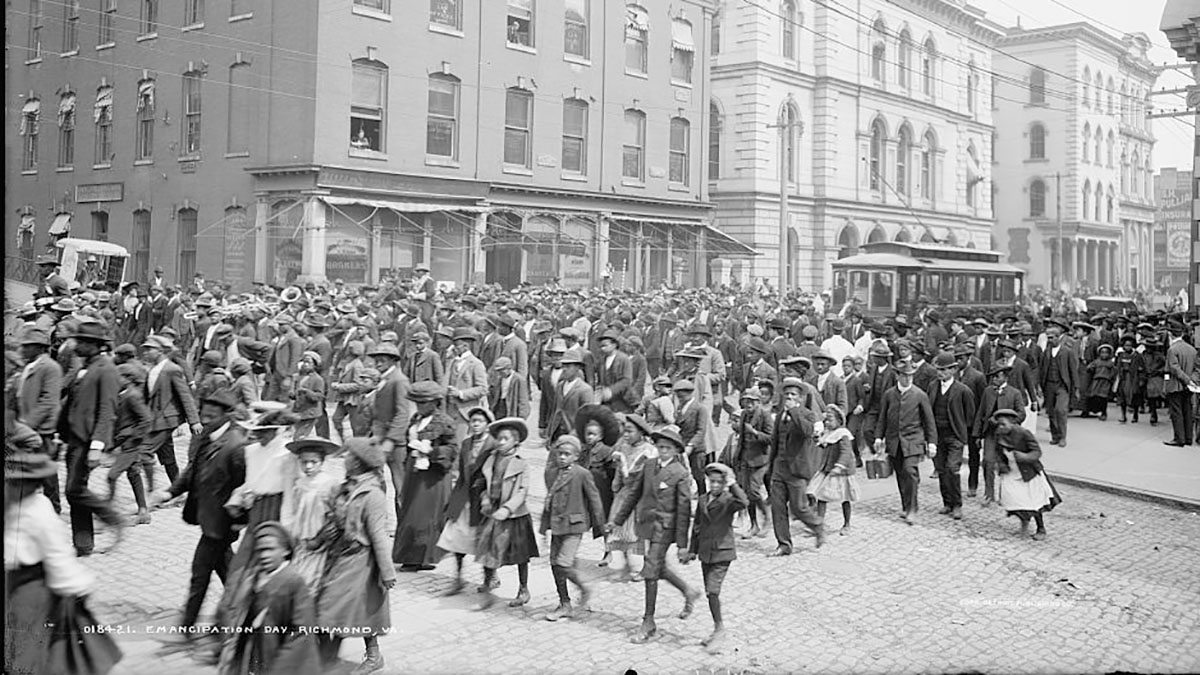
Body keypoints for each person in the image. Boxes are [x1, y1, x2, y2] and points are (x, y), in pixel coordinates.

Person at [4, 452, 121, 675]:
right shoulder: (37, 509)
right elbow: (58, 559)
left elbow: (57, 558)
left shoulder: (35, 510)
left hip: (25, 590)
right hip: (28, 593)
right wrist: (79, 586)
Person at [150, 389, 246, 644]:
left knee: (200, 573)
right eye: (204, 415)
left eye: (212, 416)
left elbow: (243, 486)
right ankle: (242, 616)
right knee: (230, 574)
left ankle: (186, 629)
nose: (205, 419)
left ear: (227, 415)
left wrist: (237, 522)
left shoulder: (236, 445)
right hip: (207, 518)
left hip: (221, 524)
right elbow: (193, 470)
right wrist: (168, 492)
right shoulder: (208, 435)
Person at [606, 426, 700, 644]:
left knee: (650, 570)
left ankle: (648, 622)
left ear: (677, 450)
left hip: (665, 529)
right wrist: (617, 521)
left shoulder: (680, 474)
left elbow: (684, 511)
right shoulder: (649, 466)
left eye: (668, 448)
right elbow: (633, 495)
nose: (663, 451)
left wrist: (683, 545)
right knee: (657, 567)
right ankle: (688, 590)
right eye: (660, 447)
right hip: (646, 525)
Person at [313, 438, 395, 675]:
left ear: (359, 463)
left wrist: (387, 572)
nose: (344, 459)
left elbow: (378, 535)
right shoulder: (346, 487)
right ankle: (368, 655)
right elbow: (332, 519)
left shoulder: (372, 495)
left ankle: (340, 656)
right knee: (354, 607)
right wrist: (319, 538)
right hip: (339, 554)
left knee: (341, 604)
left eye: (348, 456)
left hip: (361, 560)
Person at [216, 521, 320, 675]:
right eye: (260, 550)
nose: (264, 555)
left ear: (285, 550)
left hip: (277, 657)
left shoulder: (293, 582)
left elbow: (302, 632)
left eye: (270, 549)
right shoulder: (252, 578)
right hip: (252, 650)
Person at [59, 319, 125, 556]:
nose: (76, 344)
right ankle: (83, 543)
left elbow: (107, 410)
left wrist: (97, 446)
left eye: (82, 341)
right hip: (73, 437)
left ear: (95, 345)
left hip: (87, 440)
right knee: (75, 490)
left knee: (74, 490)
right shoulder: (84, 366)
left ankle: (113, 517)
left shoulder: (106, 370)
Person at [475, 417, 540, 610]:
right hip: (492, 512)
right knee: (488, 549)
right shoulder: (491, 459)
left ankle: (523, 589)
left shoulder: (521, 464)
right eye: (499, 438)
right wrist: (485, 498)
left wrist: (508, 508)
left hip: (514, 516)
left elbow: (522, 490)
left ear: (516, 441)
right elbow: (481, 482)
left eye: (506, 439)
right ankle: (489, 582)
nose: (501, 442)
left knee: (520, 554)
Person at [392, 381, 458, 570]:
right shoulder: (416, 419)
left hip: (433, 475)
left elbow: (453, 449)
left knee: (423, 515)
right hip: (415, 472)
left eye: (423, 403)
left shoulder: (444, 422)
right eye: (417, 403)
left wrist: (432, 452)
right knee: (409, 510)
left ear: (435, 402)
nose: (419, 407)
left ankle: (421, 557)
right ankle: (414, 556)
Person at [540, 434, 606, 621]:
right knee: (555, 565)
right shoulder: (553, 473)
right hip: (557, 525)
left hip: (574, 526)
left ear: (576, 456)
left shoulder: (582, 474)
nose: (562, 457)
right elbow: (549, 500)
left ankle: (583, 587)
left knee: (564, 563)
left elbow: (594, 500)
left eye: (567, 454)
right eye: (559, 453)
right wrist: (544, 526)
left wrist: (602, 527)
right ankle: (564, 603)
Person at [682, 461, 747, 652]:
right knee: (711, 594)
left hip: (723, 552)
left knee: (713, 591)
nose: (715, 485)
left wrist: (733, 483)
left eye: (720, 482)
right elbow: (697, 528)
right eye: (712, 481)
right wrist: (692, 550)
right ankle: (716, 628)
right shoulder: (702, 499)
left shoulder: (728, 500)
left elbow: (744, 502)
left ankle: (720, 630)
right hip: (706, 553)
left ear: (724, 483)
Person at [437, 407, 496, 595]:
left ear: (487, 424)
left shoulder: (493, 445)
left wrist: (490, 495)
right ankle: (459, 577)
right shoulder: (466, 444)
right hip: (464, 497)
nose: (476, 424)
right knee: (457, 538)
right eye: (473, 421)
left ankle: (489, 578)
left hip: (483, 498)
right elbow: (460, 471)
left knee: (484, 539)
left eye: (480, 421)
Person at [767, 378, 826, 555]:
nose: (789, 398)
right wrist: (771, 467)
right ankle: (784, 544)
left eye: (793, 395)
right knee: (778, 508)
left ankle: (817, 526)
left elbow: (807, 431)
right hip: (779, 467)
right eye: (787, 395)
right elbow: (775, 442)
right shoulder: (779, 416)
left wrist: (794, 411)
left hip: (797, 469)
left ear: (800, 398)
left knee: (798, 507)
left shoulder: (807, 414)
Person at [874, 360, 937, 525]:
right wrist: (879, 438)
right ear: (897, 375)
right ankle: (905, 505)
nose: (908, 379)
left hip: (913, 440)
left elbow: (929, 421)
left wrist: (932, 443)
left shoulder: (920, 395)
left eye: (910, 376)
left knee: (910, 471)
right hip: (895, 440)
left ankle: (912, 509)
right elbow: (882, 418)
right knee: (900, 473)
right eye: (904, 375)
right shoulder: (889, 395)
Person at [142, 334, 202, 493]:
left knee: (144, 452)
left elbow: (185, 396)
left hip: (167, 419)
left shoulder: (172, 369)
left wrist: (194, 421)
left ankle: (149, 491)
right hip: (155, 419)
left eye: (149, 349)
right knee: (168, 458)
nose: (145, 353)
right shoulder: (152, 369)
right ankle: (178, 489)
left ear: (160, 351)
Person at [280, 437, 340, 593]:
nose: (308, 466)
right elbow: (295, 511)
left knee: (315, 581)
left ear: (322, 462)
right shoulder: (299, 484)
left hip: (321, 540)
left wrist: (322, 537)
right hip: (302, 542)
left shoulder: (330, 484)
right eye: (304, 462)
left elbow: (335, 513)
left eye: (314, 462)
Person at [993, 409, 1062, 541]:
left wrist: (1025, 457)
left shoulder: (1024, 433)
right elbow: (998, 452)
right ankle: (1024, 522)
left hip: (1028, 472)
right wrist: (1001, 465)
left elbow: (1037, 452)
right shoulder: (999, 434)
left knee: (1034, 501)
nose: (1001, 427)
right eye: (999, 424)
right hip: (1011, 471)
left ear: (1013, 423)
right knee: (1014, 499)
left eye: (1003, 424)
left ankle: (1040, 527)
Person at [15, 326, 63, 512]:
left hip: (42, 430)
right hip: (27, 427)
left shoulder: (50, 367)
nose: (23, 350)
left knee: (46, 473)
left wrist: (27, 424)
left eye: (28, 346)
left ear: (39, 347)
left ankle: (54, 509)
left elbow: (48, 400)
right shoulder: (29, 366)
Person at [926, 351, 976, 521]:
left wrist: (963, 434)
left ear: (954, 370)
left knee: (952, 469)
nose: (941, 373)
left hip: (954, 435)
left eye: (945, 370)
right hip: (937, 436)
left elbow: (970, 416)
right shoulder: (932, 386)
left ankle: (957, 505)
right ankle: (947, 503)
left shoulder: (963, 391)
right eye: (939, 369)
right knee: (941, 469)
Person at [609, 413, 658, 582]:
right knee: (620, 531)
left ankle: (638, 568)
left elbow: (647, 477)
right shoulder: (623, 447)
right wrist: (616, 485)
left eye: (630, 431)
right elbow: (618, 473)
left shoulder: (648, 451)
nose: (626, 434)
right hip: (623, 496)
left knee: (635, 534)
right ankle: (624, 565)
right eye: (625, 431)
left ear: (640, 432)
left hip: (640, 497)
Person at [972, 365, 1027, 506]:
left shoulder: (1014, 393)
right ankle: (989, 494)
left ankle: (1004, 495)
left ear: (1005, 378)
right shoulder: (988, 392)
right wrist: (977, 435)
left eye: (997, 376)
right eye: (993, 377)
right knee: (987, 462)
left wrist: (1007, 423)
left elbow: (1021, 414)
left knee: (1005, 466)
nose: (994, 379)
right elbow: (980, 413)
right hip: (990, 433)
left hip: (1007, 437)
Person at [806, 405, 861, 535]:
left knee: (845, 497)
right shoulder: (829, 434)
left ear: (839, 421)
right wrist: (817, 440)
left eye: (830, 419)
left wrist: (839, 466)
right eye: (826, 420)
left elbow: (846, 452)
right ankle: (819, 523)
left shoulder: (843, 435)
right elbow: (825, 445)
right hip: (827, 469)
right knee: (821, 496)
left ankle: (847, 524)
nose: (827, 422)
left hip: (841, 471)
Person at [111, 362, 152, 525]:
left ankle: (108, 514)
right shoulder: (125, 393)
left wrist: (134, 436)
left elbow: (146, 418)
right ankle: (143, 511)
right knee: (134, 473)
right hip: (126, 441)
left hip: (130, 443)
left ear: (128, 379)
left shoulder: (132, 396)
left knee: (111, 476)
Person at [730, 388, 772, 539]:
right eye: (745, 401)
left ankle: (767, 518)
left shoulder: (765, 415)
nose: (748, 404)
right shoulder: (743, 415)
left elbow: (770, 438)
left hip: (761, 460)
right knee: (747, 493)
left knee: (754, 490)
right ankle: (754, 524)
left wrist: (754, 432)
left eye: (751, 401)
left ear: (758, 402)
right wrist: (737, 457)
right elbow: (741, 437)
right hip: (746, 458)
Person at [1039, 319, 1078, 448]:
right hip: (1049, 385)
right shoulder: (1046, 352)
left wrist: (1076, 388)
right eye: (1048, 338)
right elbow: (1042, 369)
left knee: (1060, 410)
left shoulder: (1067, 352)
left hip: (1062, 385)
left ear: (1058, 337)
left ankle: (1062, 437)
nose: (1050, 340)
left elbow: (1073, 371)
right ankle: (1055, 436)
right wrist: (1040, 386)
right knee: (1051, 412)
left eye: (1052, 338)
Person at [1163, 320, 1196, 447]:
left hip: (1176, 384)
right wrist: (1191, 381)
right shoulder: (1192, 349)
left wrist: (1185, 379)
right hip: (1189, 386)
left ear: (1171, 334)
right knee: (1187, 411)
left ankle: (1179, 438)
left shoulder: (1172, 349)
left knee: (1176, 412)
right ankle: (1188, 438)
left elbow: (1173, 368)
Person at [1114, 335, 1147, 424]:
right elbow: (1117, 366)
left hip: (1133, 379)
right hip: (1123, 378)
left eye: (1129, 345)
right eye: (1126, 345)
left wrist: (1141, 379)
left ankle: (1135, 415)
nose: (1127, 347)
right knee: (1122, 398)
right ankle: (1123, 415)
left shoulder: (1137, 356)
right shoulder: (1120, 355)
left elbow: (1142, 368)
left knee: (1135, 397)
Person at [1084, 344, 1117, 421]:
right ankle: (1089, 410)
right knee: (1093, 396)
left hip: (1105, 382)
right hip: (1096, 381)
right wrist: (1090, 368)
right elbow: (1089, 368)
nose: (1104, 354)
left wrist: (1111, 380)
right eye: (1102, 352)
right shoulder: (1096, 362)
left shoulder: (1110, 363)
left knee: (1103, 397)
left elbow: (1114, 372)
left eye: (1106, 353)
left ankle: (1103, 412)